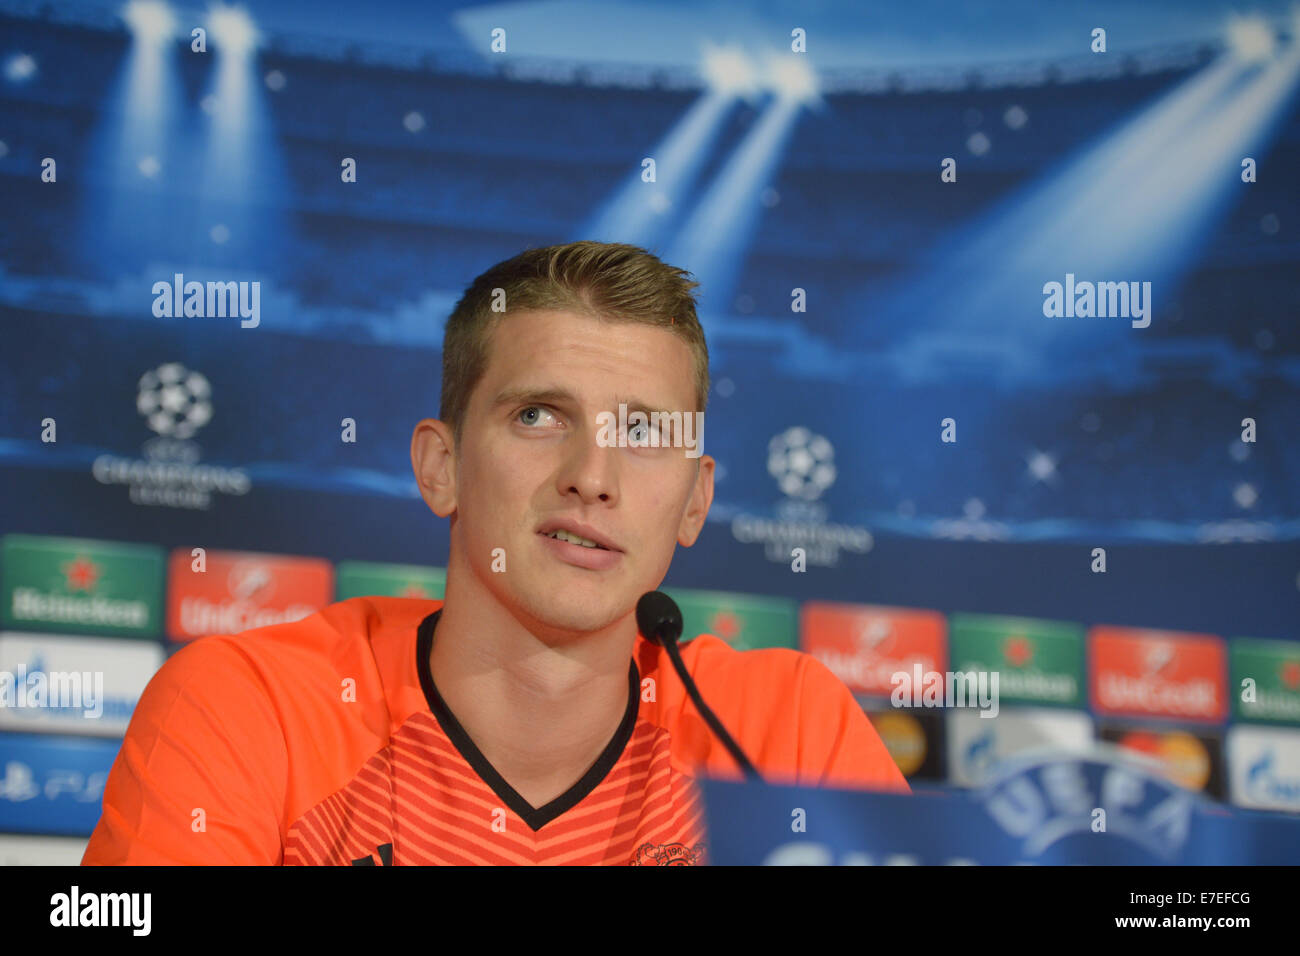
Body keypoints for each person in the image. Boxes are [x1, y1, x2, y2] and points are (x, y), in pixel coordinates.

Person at [82, 241, 908, 866]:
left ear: (696, 501)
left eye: (647, 432)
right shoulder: (246, 706)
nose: (592, 477)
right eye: (539, 417)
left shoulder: (784, 729)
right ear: (442, 467)